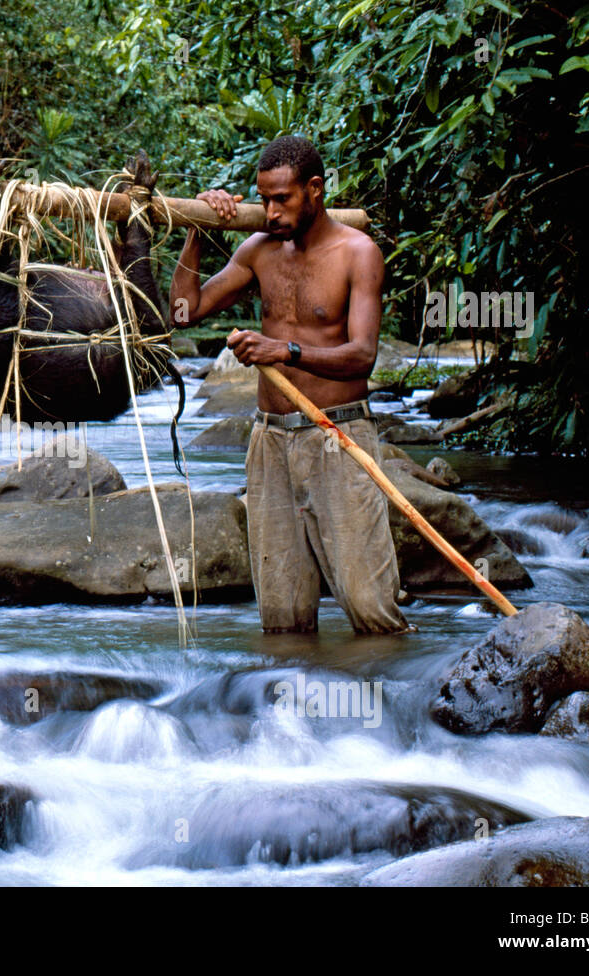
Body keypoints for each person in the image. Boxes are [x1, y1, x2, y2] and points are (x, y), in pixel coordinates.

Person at [169, 134, 412, 635]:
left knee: (372, 607)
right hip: (271, 440)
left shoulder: (357, 253)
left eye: (283, 198)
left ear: (315, 190)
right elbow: (182, 312)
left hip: (338, 438)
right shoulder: (258, 251)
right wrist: (195, 229)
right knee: (282, 613)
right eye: (264, 200)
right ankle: (291, 708)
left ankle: (382, 700)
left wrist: (286, 351)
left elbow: (363, 357)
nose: (272, 211)